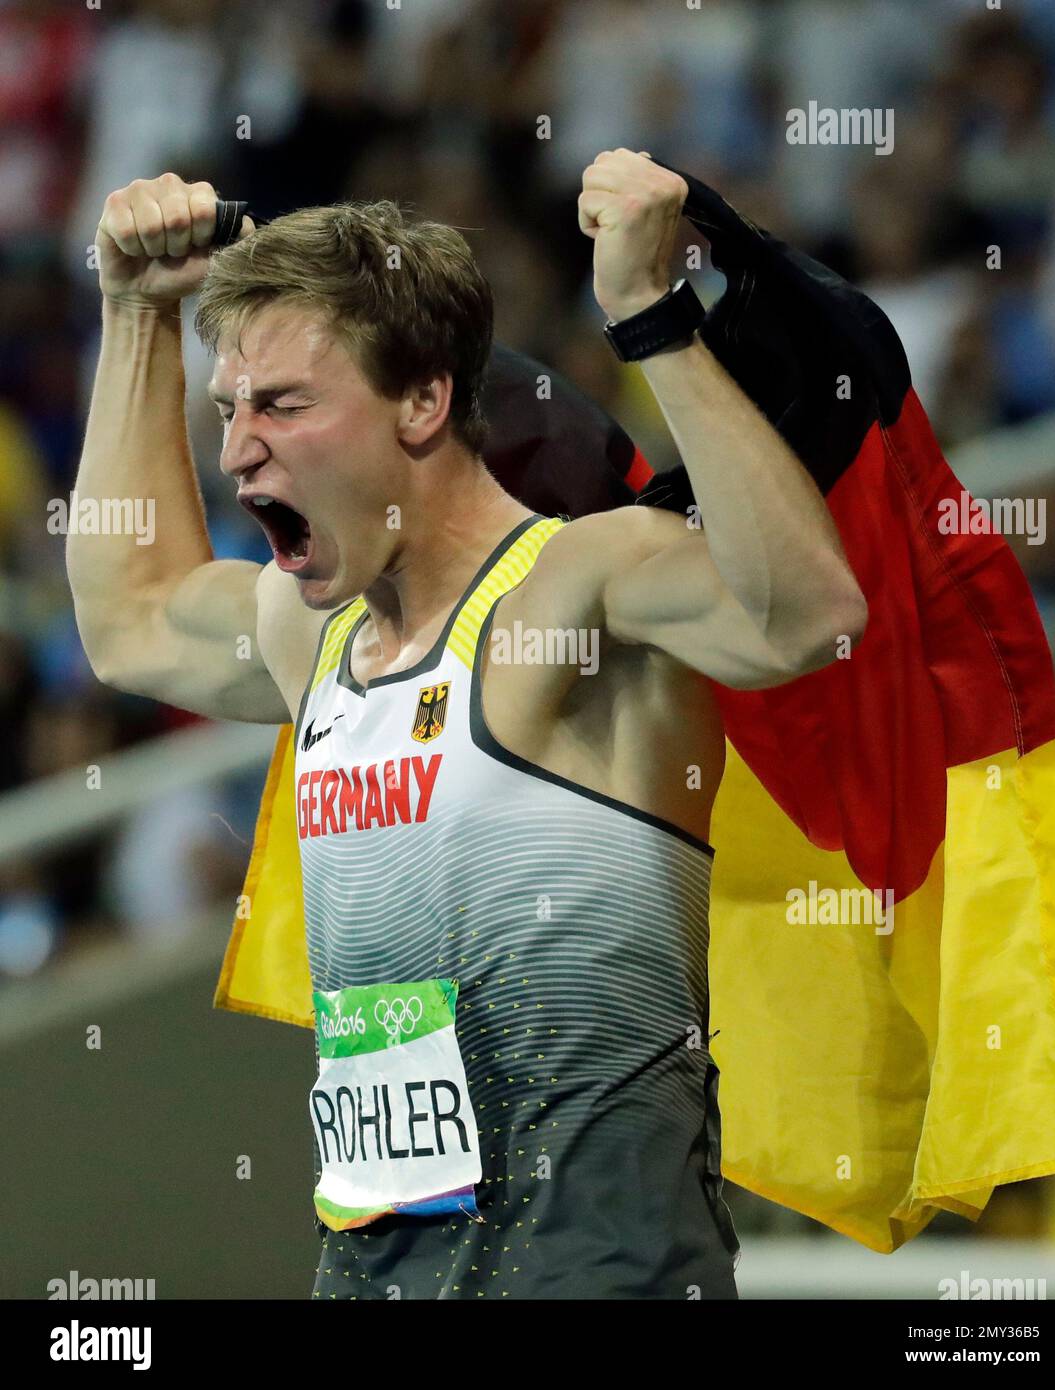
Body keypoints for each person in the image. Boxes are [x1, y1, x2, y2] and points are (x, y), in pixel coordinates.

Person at [67, 153, 866, 1299]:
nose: (238, 447)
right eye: (230, 409)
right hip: (379, 1271)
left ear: (424, 401)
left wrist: (649, 318)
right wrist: (136, 310)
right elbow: (132, 620)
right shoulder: (315, 632)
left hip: (601, 1271)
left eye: (284, 405)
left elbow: (808, 616)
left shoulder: (579, 586)